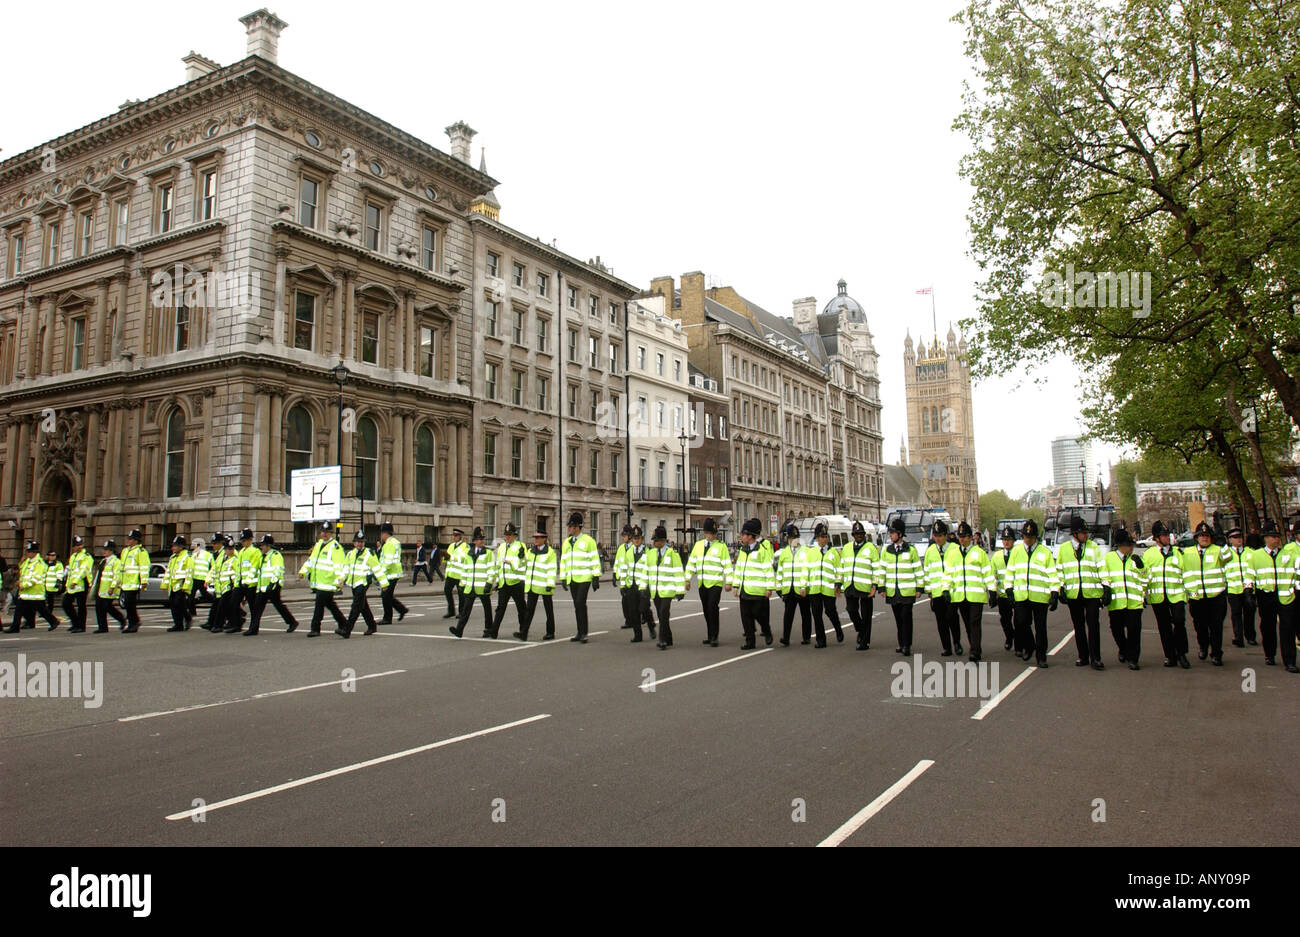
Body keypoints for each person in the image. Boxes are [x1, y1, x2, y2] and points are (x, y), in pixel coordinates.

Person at [1006, 519, 1058, 668]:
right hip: (1022, 595)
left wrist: (1054, 593)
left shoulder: (1045, 552)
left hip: (1040, 597)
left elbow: (1052, 574)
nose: (1027, 540)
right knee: (1021, 623)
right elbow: (1010, 571)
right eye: (1025, 537)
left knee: (1040, 628)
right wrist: (1009, 589)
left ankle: (1041, 656)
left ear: (1036, 537)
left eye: (1030, 537)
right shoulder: (1016, 551)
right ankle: (1029, 646)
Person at [1056, 515, 1105, 668]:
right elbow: (1059, 570)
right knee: (1078, 626)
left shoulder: (1093, 547)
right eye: (1083, 532)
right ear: (1075, 534)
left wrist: (1106, 586)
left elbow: (1102, 567)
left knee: (1093, 626)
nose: (1086, 535)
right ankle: (1083, 656)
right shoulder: (1064, 549)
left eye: (1086, 532)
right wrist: (1060, 588)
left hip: (1092, 593)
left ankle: (1095, 658)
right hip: (1073, 593)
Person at [1249, 521, 1298, 670]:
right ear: (1265, 538)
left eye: (1277, 537)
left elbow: (1296, 573)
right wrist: (1248, 591)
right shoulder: (1256, 555)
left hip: (1286, 596)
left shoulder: (1287, 554)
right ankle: (1269, 654)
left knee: (1288, 628)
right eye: (1271, 536)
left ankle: (1290, 661)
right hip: (1266, 596)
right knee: (1268, 626)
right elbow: (1250, 574)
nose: (1275, 540)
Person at [1182, 520, 1232, 666]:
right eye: (1201, 535)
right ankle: (1203, 646)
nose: (1204, 538)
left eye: (1207, 535)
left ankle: (1216, 653)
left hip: (1216, 595)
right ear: (1196, 538)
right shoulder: (1187, 552)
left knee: (1216, 626)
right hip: (1197, 596)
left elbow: (1228, 558)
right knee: (1200, 626)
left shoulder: (1218, 550)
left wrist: (1223, 544)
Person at [1143, 520, 1189, 669]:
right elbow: (1144, 576)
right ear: (1156, 538)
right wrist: (1142, 594)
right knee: (1164, 627)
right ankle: (1170, 656)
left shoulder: (1178, 552)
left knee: (1179, 622)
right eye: (1163, 535)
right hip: (1158, 596)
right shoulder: (1149, 554)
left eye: (1167, 535)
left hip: (1176, 595)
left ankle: (1182, 653)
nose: (1167, 538)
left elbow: (1186, 573)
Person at [949, 521, 995, 663]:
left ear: (970, 538)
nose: (962, 539)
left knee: (975, 622)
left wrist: (992, 590)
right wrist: (946, 589)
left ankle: (975, 651)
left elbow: (987, 573)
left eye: (965, 536)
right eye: (960, 536)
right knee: (968, 623)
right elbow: (949, 573)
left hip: (975, 594)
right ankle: (975, 646)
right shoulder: (953, 554)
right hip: (960, 595)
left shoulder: (979, 553)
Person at [876, 517, 922, 655]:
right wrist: (881, 587)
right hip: (893, 591)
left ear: (900, 534)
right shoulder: (887, 550)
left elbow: (918, 570)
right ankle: (901, 642)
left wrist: (919, 588)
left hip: (907, 591)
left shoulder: (911, 550)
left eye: (893, 532)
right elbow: (882, 570)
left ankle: (907, 645)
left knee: (906, 617)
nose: (890, 535)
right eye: (890, 532)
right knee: (898, 619)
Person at [685, 517, 731, 647]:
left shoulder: (721, 547)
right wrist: (687, 579)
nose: (712, 536)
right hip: (702, 583)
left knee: (712, 607)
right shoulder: (698, 546)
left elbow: (727, 565)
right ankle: (710, 634)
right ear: (705, 533)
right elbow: (691, 563)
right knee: (706, 609)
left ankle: (714, 636)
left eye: (714, 533)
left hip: (715, 583)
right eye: (710, 533)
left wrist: (729, 582)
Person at [728, 518, 773, 650]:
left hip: (758, 590)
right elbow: (739, 570)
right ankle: (750, 641)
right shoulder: (742, 551)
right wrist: (736, 586)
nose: (741, 537)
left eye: (743, 534)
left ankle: (766, 629)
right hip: (745, 590)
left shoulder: (762, 551)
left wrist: (769, 587)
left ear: (750, 536)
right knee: (745, 616)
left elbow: (768, 570)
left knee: (758, 614)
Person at [1104, 527, 1146, 670]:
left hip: (1134, 602)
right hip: (1116, 602)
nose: (1131, 547)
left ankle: (1133, 659)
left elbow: (1146, 577)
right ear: (1120, 546)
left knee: (1134, 631)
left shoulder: (1135, 558)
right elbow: (1104, 576)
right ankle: (1123, 648)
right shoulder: (1109, 558)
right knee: (1116, 629)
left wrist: (1141, 567)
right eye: (1128, 545)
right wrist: (1106, 590)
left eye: (1131, 544)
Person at [300, 522, 348, 637]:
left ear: (331, 533)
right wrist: (303, 571)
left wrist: (339, 581)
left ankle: (315, 628)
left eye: (327, 532)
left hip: (328, 582)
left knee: (319, 605)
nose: (324, 534)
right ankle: (344, 624)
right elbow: (311, 560)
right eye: (323, 532)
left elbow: (339, 565)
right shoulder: (318, 544)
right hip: (319, 583)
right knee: (330, 605)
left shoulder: (335, 547)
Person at [559, 512, 600, 644]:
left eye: (571, 526)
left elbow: (595, 559)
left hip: (584, 577)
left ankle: (584, 633)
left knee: (580, 603)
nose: (569, 529)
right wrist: (563, 577)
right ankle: (579, 631)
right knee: (576, 605)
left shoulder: (588, 541)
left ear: (577, 527)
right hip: (572, 578)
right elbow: (563, 561)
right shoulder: (566, 542)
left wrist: (596, 577)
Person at [923, 519, 963, 656]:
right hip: (936, 592)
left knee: (952, 617)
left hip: (951, 591)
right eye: (936, 536)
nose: (938, 538)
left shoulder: (954, 548)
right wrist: (928, 590)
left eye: (940, 536)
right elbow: (927, 571)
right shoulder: (930, 551)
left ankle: (957, 642)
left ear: (946, 535)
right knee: (941, 621)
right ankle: (946, 646)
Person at [450, 527, 496, 638]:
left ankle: (488, 629)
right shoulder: (469, 554)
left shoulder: (488, 553)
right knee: (466, 610)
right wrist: (462, 584)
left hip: (482, 586)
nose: (481, 541)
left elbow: (491, 569)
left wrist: (489, 583)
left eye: (482, 539)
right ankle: (459, 630)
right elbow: (465, 570)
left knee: (487, 610)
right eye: (479, 539)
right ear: (474, 541)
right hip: (470, 587)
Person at [338, 531, 386, 638]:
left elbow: (377, 569)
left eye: (361, 542)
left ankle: (347, 629)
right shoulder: (351, 554)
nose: (359, 544)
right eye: (357, 542)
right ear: (354, 543)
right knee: (363, 606)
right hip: (354, 583)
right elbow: (346, 568)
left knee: (355, 606)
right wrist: (341, 580)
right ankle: (372, 626)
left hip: (363, 583)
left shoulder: (369, 554)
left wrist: (384, 583)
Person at [249, 534, 299, 635]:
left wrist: (273, 583)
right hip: (263, 588)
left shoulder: (275, 555)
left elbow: (278, 570)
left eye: (263, 545)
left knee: (278, 605)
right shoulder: (262, 556)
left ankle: (292, 622)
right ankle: (253, 629)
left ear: (268, 546)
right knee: (257, 607)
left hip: (273, 586)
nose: (261, 547)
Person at [645, 525, 686, 650]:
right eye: (654, 540)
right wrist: (644, 587)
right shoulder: (650, 554)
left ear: (663, 541)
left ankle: (662, 640)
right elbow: (646, 571)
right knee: (661, 616)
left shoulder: (672, 554)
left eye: (656, 540)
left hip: (668, 590)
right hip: (655, 590)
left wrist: (680, 591)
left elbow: (678, 573)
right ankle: (668, 637)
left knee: (663, 613)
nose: (654, 542)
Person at [840, 521, 878, 651]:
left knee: (867, 615)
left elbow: (876, 568)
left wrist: (875, 585)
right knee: (851, 610)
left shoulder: (871, 548)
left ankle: (864, 642)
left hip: (865, 586)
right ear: (853, 535)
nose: (859, 536)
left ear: (864, 535)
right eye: (856, 534)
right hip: (850, 585)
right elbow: (842, 566)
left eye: (860, 534)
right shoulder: (846, 548)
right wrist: (839, 583)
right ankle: (861, 630)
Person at [516, 526, 558, 641]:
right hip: (532, 585)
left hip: (544, 585)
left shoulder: (550, 553)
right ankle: (524, 632)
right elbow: (524, 565)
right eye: (535, 537)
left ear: (544, 539)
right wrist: (520, 557)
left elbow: (551, 569)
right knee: (529, 610)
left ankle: (550, 632)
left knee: (548, 610)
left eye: (538, 538)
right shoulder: (531, 551)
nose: (536, 540)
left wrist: (550, 584)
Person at [805, 523, 843, 647]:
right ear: (816, 538)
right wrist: (803, 586)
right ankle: (821, 640)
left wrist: (838, 584)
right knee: (816, 614)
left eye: (825, 536)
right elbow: (806, 571)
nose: (824, 539)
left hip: (828, 588)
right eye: (821, 536)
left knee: (830, 611)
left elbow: (839, 570)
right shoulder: (811, 553)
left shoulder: (833, 552)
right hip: (815, 589)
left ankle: (838, 628)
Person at [775, 523, 811, 646]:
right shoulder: (784, 552)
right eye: (792, 538)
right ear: (788, 539)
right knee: (788, 615)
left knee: (805, 613)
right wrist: (778, 587)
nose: (793, 540)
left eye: (795, 538)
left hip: (801, 588)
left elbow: (807, 570)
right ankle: (786, 637)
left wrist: (804, 586)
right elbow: (780, 570)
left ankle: (806, 637)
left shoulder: (805, 551)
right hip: (789, 588)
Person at [489, 523, 527, 639]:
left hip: (516, 582)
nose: (507, 537)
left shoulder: (521, 546)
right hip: (504, 583)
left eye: (510, 535)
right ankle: (494, 631)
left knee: (521, 608)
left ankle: (523, 631)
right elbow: (498, 565)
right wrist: (495, 581)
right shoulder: (501, 547)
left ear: (514, 535)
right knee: (500, 608)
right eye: (506, 535)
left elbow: (524, 563)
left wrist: (512, 562)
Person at [5, 541, 52, 633]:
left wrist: (24, 585)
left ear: (34, 553)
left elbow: (36, 577)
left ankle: (53, 621)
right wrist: (21, 562)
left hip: (35, 591)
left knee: (41, 610)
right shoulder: (27, 562)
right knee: (19, 609)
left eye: (29, 552)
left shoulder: (39, 563)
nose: (27, 553)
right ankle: (16, 627)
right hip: (26, 592)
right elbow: (22, 572)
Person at [1223, 527, 1256, 648]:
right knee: (1236, 614)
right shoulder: (1227, 554)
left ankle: (1250, 636)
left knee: (1249, 613)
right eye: (1235, 538)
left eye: (1240, 537)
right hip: (1233, 589)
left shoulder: (1250, 552)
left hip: (1248, 588)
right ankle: (1238, 637)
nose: (1239, 540)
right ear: (1230, 540)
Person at [989, 526, 1017, 650]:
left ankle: (1019, 644)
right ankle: (1010, 637)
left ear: (1013, 540)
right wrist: (993, 592)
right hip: (1003, 594)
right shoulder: (996, 556)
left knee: (1019, 621)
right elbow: (992, 575)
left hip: (1017, 593)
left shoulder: (1018, 554)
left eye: (1009, 539)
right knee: (1005, 620)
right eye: (1004, 539)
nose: (1006, 542)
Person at [90, 540, 127, 634]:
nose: (104, 551)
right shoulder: (103, 561)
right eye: (104, 549)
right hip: (101, 589)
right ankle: (102, 627)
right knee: (99, 607)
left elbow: (117, 575)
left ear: (111, 551)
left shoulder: (116, 561)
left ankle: (121, 619)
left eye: (106, 549)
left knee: (107, 607)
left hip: (109, 589)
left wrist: (112, 587)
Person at [627, 526, 655, 643]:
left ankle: (651, 625)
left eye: (638, 538)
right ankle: (637, 634)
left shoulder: (648, 552)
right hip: (632, 585)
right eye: (634, 538)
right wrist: (624, 585)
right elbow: (626, 569)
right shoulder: (629, 552)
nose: (636, 540)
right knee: (633, 611)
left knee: (643, 609)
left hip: (644, 585)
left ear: (642, 539)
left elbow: (650, 569)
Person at [118, 528, 149, 634]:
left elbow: (144, 567)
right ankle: (134, 622)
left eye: (131, 539)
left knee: (129, 603)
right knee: (127, 604)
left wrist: (144, 581)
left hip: (134, 582)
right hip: (125, 582)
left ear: (136, 540)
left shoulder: (141, 551)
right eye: (129, 538)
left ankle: (133, 623)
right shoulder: (125, 551)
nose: (129, 541)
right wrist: (119, 580)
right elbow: (121, 567)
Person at [377, 522, 408, 625]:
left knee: (386, 596)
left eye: (381, 533)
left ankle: (387, 618)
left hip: (390, 574)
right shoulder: (395, 542)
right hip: (394, 573)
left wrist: (381, 573)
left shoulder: (389, 544)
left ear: (386, 533)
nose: (381, 536)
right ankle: (402, 609)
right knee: (387, 595)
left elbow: (388, 561)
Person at [161, 535, 194, 632]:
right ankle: (178, 624)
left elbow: (189, 573)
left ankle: (186, 619)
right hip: (173, 586)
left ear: (181, 547)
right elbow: (168, 572)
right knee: (174, 605)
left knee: (178, 604)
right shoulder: (173, 558)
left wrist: (186, 586)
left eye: (175, 546)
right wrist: (164, 584)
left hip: (181, 586)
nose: (172, 548)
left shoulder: (187, 558)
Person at [62, 536, 94, 633]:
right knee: (66, 604)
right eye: (77, 545)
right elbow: (71, 572)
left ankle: (81, 626)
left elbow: (83, 570)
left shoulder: (86, 556)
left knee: (81, 606)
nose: (79, 547)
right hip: (72, 585)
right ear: (73, 547)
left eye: (80, 545)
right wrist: (67, 585)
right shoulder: (73, 557)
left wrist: (75, 581)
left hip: (82, 583)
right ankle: (75, 622)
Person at [201, 533, 229, 632]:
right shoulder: (218, 554)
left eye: (215, 543)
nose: (213, 545)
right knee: (217, 605)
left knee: (221, 606)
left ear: (221, 543)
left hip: (225, 584)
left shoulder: (224, 553)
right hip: (219, 585)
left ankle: (218, 625)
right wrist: (208, 580)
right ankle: (212, 622)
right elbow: (214, 569)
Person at [236, 528, 262, 627]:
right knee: (233, 603)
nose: (243, 542)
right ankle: (237, 622)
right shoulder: (241, 552)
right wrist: (237, 582)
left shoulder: (255, 551)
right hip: (241, 583)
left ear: (250, 540)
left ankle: (253, 627)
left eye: (244, 540)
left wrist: (247, 581)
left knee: (253, 607)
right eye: (242, 540)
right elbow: (239, 569)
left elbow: (254, 568)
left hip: (251, 584)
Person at [614, 524, 638, 632]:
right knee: (624, 601)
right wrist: (615, 574)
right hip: (624, 580)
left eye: (625, 535)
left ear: (630, 536)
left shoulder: (634, 548)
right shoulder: (621, 548)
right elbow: (617, 562)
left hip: (634, 580)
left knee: (634, 602)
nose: (622, 537)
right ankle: (628, 620)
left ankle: (636, 619)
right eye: (622, 535)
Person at [218, 537, 244, 633]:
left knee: (229, 605)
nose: (230, 551)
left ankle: (235, 624)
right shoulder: (226, 558)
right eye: (228, 549)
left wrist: (234, 585)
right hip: (225, 586)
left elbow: (237, 572)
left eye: (231, 548)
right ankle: (236, 622)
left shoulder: (235, 558)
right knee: (230, 605)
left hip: (232, 586)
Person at [442, 528, 468, 618]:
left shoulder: (465, 546)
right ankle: (451, 610)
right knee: (447, 591)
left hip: (460, 574)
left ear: (460, 537)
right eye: (454, 535)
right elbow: (447, 558)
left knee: (461, 594)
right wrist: (444, 557)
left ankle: (462, 612)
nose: (454, 537)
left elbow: (463, 558)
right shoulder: (451, 545)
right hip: (450, 574)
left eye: (456, 536)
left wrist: (451, 557)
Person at [189, 537, 215, 620]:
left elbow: (213, 567)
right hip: (194, 578)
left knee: (204, 595)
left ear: (198, 545)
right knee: (191, 596)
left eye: (194, 545)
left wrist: (208, 579)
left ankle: (216, 602)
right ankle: (192, 612)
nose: (192, 547)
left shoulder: (208, 555)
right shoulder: (193, 555)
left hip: (202, 579)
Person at [43, 549, 66, 619]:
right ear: (48, 556)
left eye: (54, 555)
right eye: (51, 555)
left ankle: (49, 612)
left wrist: (58, 582)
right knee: (42, 600)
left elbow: (60, 574)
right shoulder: (45, 563)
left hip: (52, 585)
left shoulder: (58, 564)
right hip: (44, 585)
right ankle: (44, 612)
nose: (53, 557)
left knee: (50, 601)